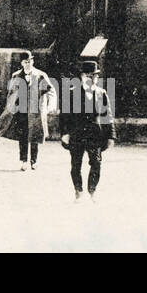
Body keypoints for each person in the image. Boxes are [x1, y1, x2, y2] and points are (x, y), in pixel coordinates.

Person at [59, 61, 116, 201]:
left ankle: (92, 191)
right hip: (76, 134)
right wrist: (64, 133)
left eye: (95, 76)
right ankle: (78, 191)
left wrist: (111, 136)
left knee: (96, 163)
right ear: (83, 76)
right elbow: (64, 116)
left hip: (95, 135)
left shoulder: (101, 93)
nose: (92, 79)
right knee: (76, 164)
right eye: (89, 76)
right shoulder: (71, 93)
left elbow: (107, 116)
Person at [0, 50, 55, 170]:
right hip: (21, 110)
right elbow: (11, 93)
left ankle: (34, 161)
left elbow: (51, 90)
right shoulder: (16, 76)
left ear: (33, 61)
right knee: (23, 135)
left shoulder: (40, 75)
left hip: (36, 110)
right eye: (25, 62)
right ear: (21, 63)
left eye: (30, 61)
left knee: (35, 135)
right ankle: (24, 160)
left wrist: (50, 105)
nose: (28, 64)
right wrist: (10, 107)